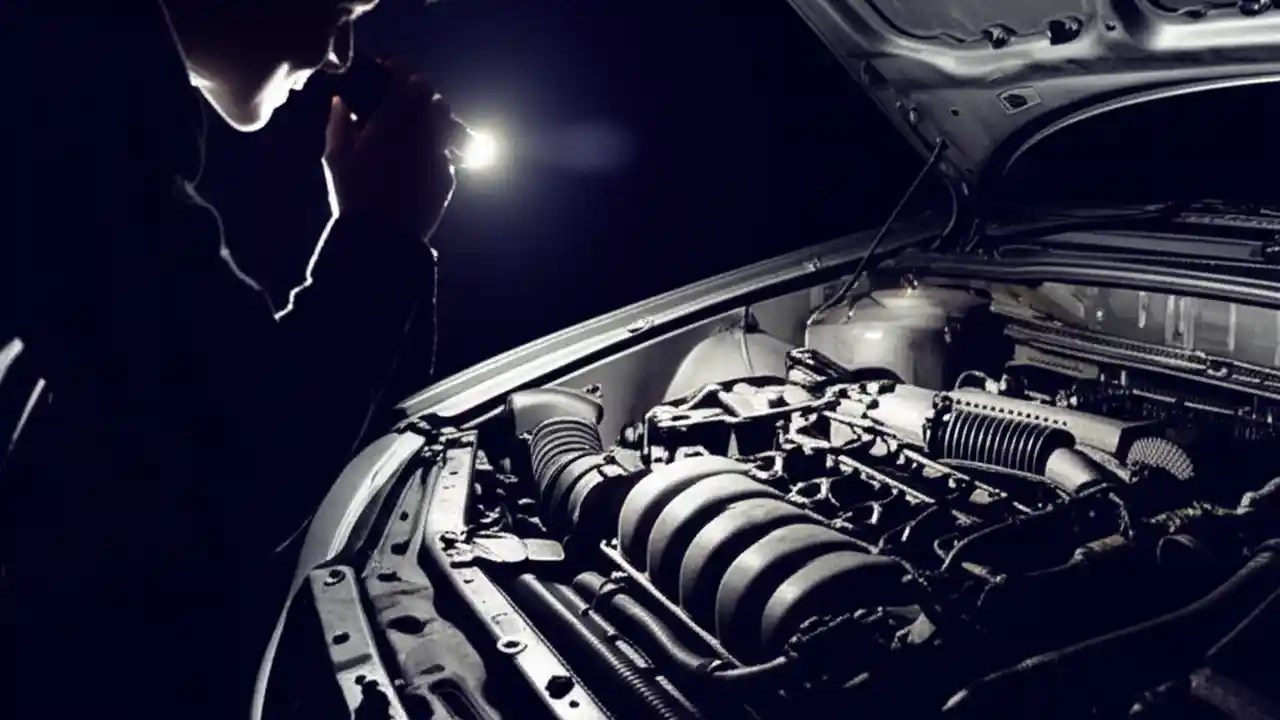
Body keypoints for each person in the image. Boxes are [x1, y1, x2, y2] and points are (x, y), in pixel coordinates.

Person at [1, 0, 456, 716]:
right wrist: (384, 229)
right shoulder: (66, 100)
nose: (341, 55)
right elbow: (236, 456)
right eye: (342, 8)